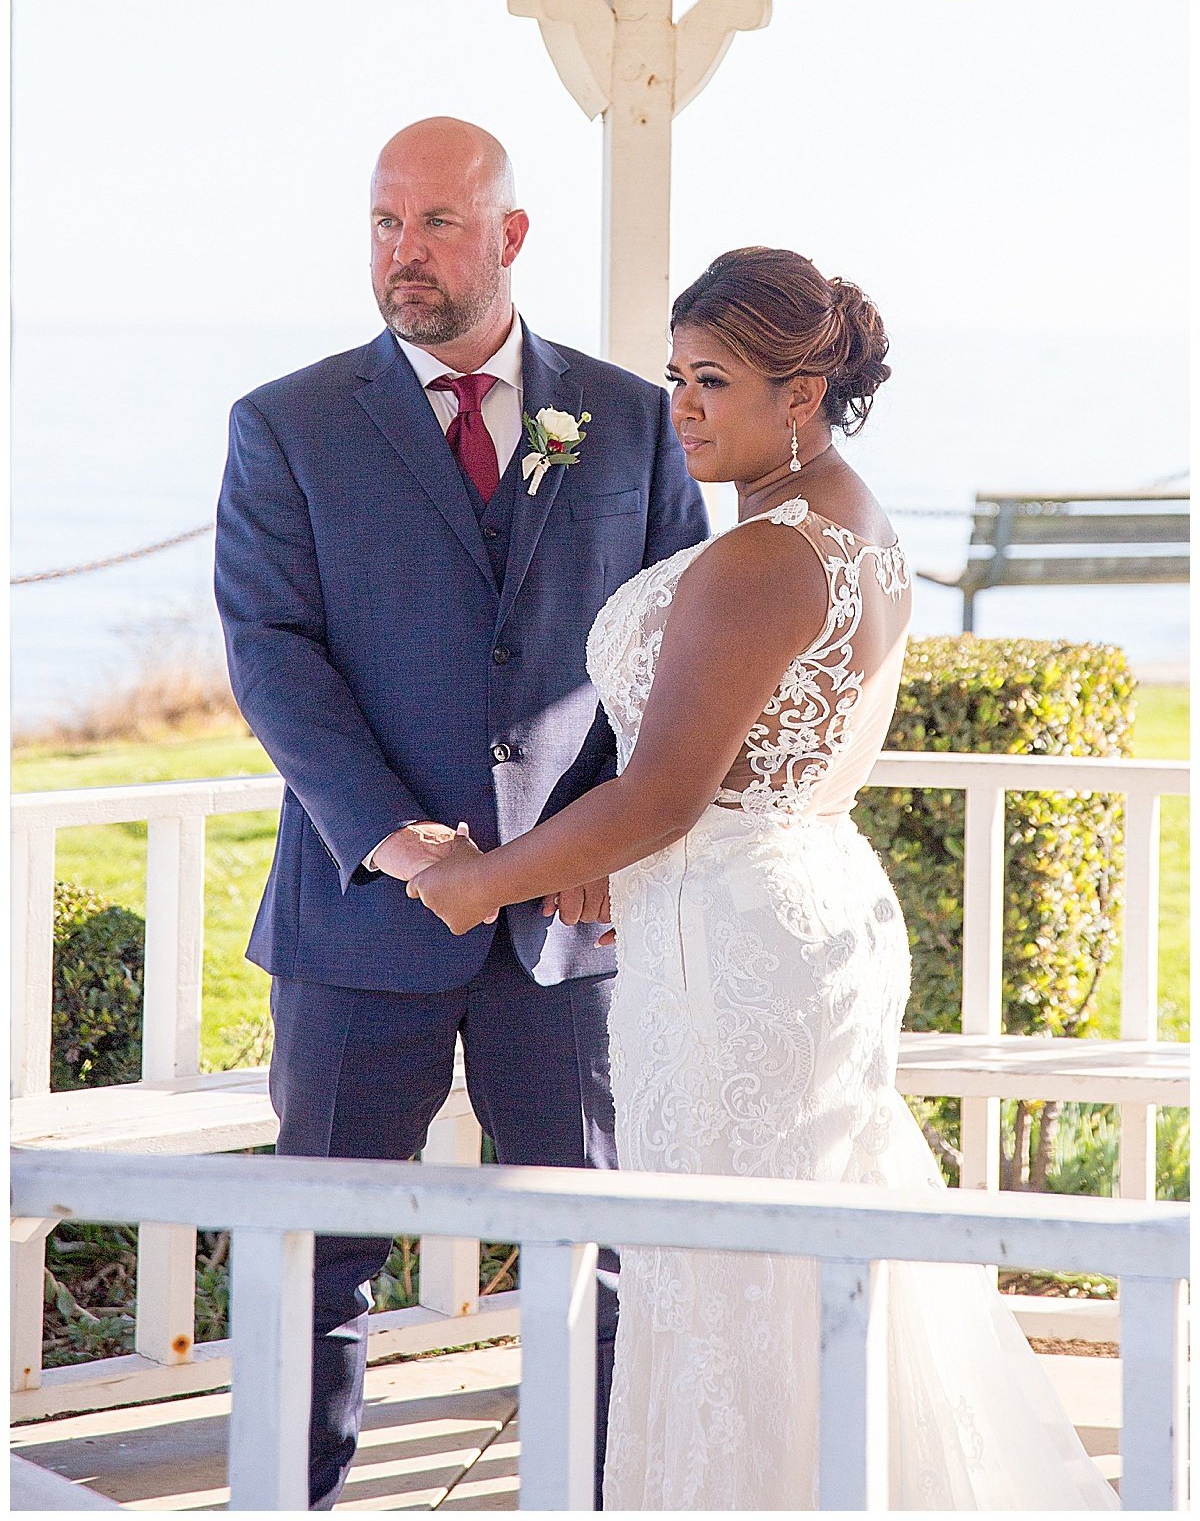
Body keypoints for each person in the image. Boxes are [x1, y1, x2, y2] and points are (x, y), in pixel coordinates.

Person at [410, 245, 1120, 1510]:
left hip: (731, 956)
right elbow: (730, 776)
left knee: (724, 1272)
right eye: (676, 376)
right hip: (803, 900)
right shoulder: (859, 525)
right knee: (803, 1254)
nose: (681, 406)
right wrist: (611, 860)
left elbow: (667, 793)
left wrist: (488, 880)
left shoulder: (759, 558)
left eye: (715, 381)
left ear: (801, 396)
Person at [213, 116, 709, 1509]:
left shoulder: (628, 417)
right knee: (318, 1256)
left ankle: (599, 1501)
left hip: (570, 925)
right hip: (363, 919)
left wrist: (614, 836)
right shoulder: (286, 424)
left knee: (595, 1255)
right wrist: (393, 838)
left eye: (435, 223)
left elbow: (673, 646)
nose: (402, 253)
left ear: (511, 236)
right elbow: (272, 653)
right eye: (383, 222)